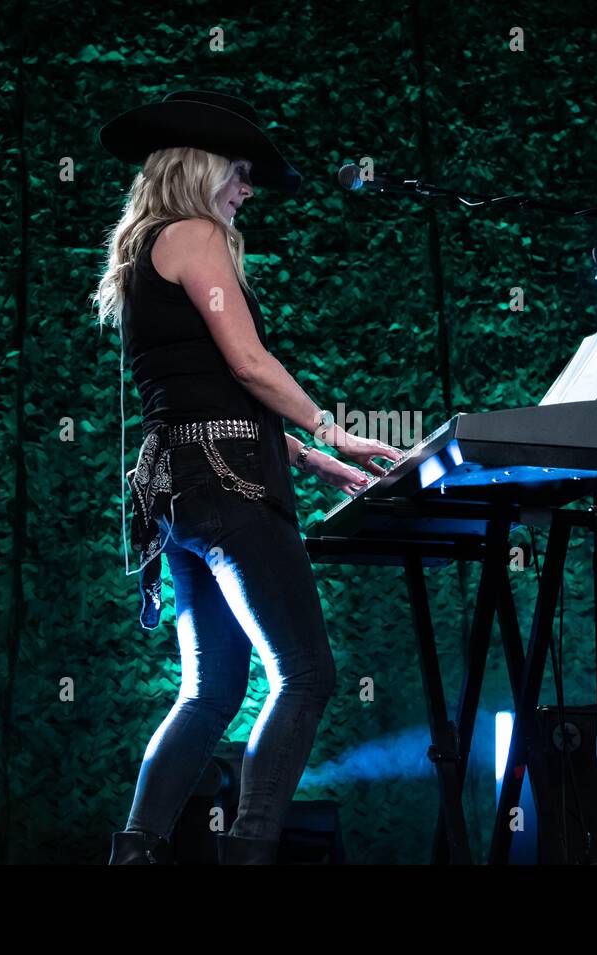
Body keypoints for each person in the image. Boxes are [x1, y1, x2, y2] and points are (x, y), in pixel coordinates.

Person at [91, 90, 402, 864]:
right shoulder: (197, 234)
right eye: (240, 172)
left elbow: (202, 393)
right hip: (229, 488)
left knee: (211, 690)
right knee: (305, 672)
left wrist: (312, 458)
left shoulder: (141, 251)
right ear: (201, 168)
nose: (248, 189)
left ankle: (133, 854)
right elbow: (248, 365)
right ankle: (251, 852)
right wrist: (329, 424)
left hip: (180, 494)